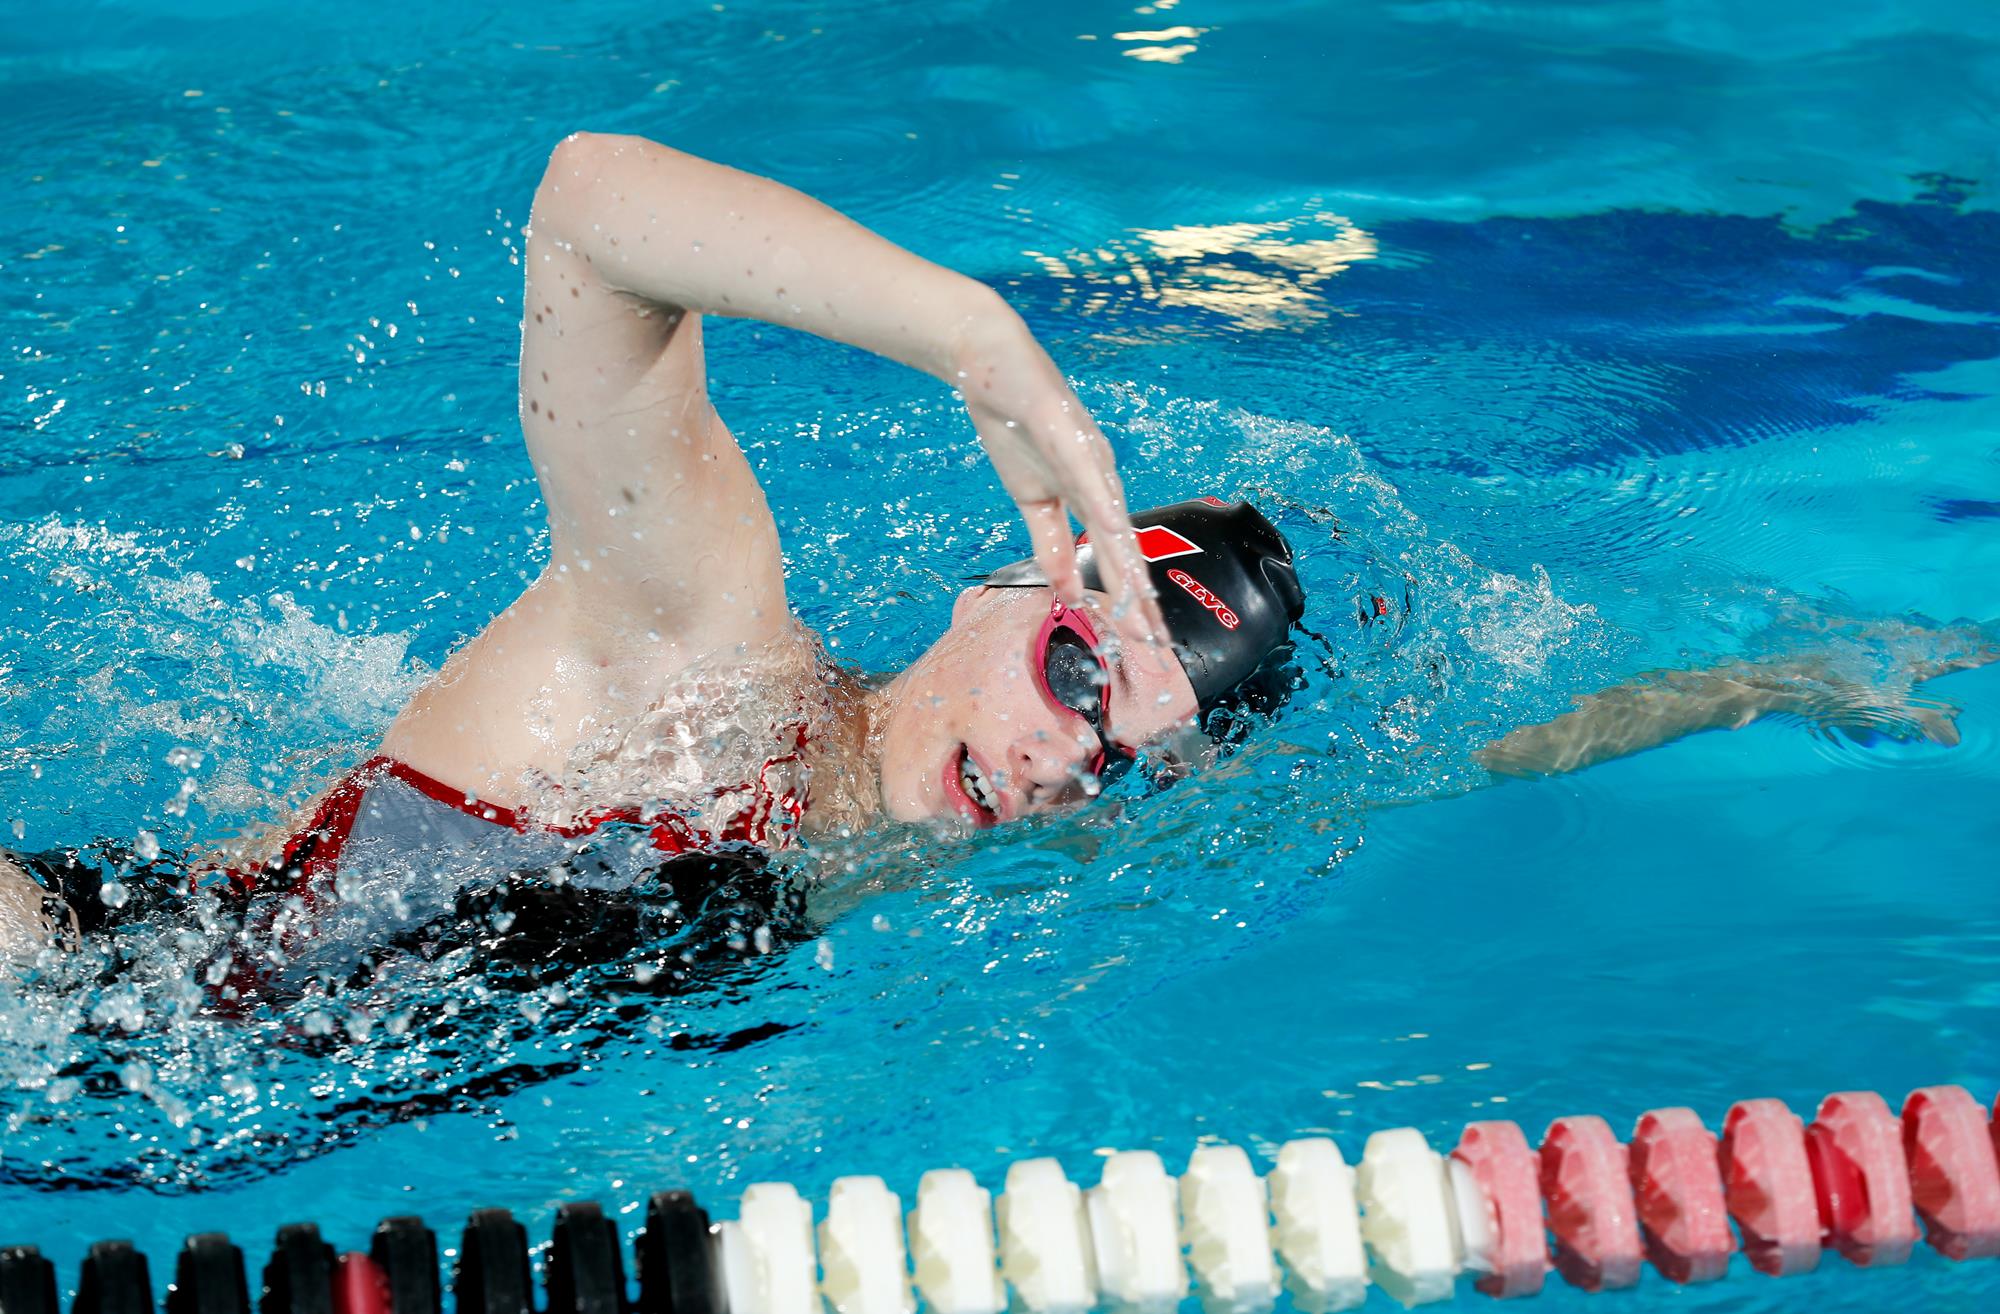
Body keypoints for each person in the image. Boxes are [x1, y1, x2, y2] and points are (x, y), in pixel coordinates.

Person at [3, 134, 1993, 967]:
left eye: (1118, 753)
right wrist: (978, 340)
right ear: (1000, 586)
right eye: (1073, 676)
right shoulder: (699, 642)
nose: (1064, 763)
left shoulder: (895, 856)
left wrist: (1784, 683)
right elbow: (589, 205)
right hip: (72, 988)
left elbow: (1444, 765)